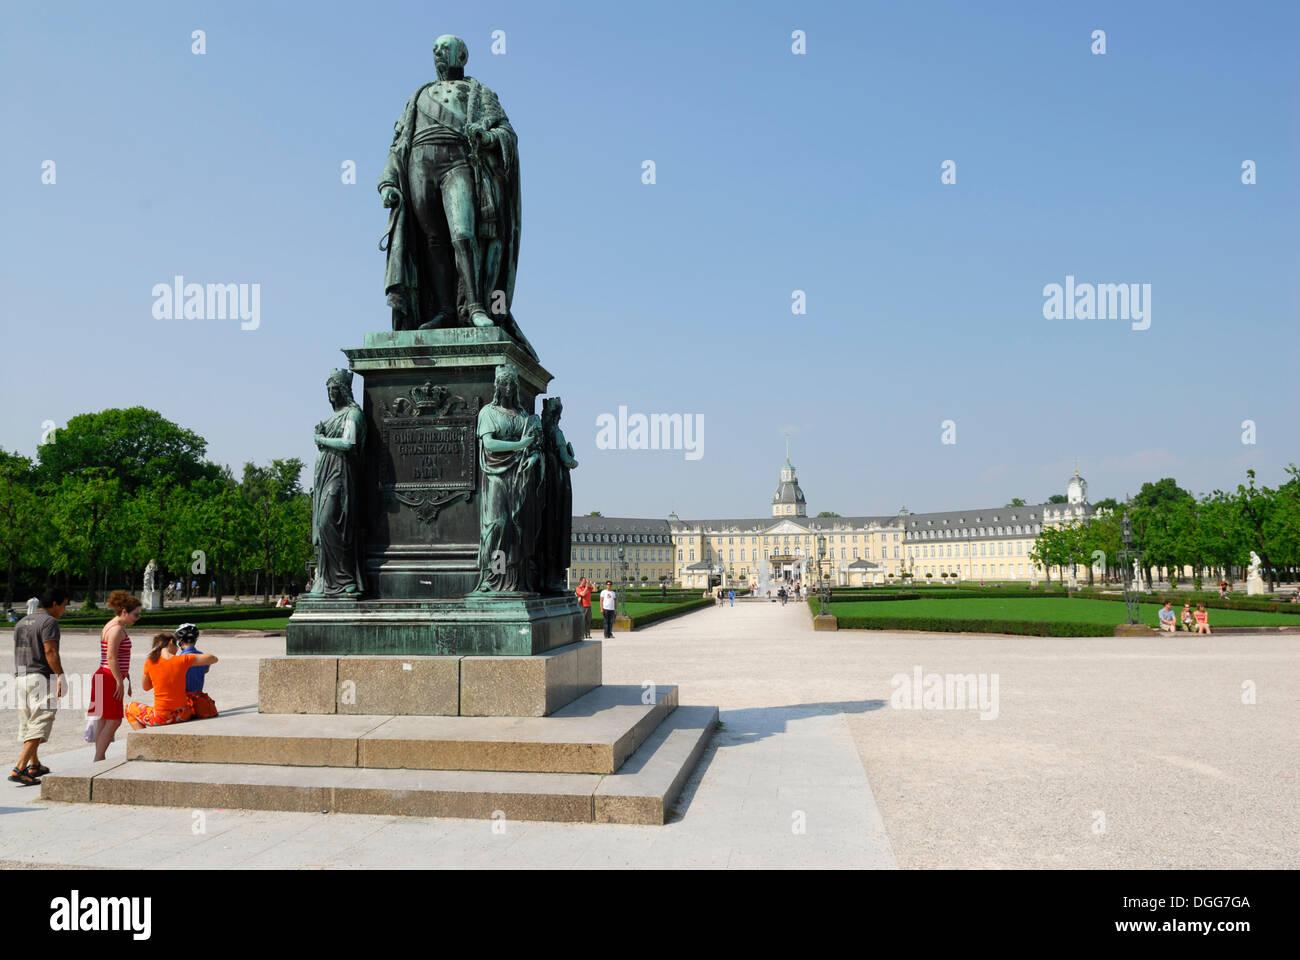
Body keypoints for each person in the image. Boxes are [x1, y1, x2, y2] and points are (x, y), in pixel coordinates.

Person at [10, 587, 70, 786]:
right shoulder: (49, 622)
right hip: (40, 677)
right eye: (63, 605)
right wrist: (60, 676)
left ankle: (34, 764)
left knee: (28, 722)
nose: (64, 609)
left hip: (20, 677)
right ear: (55, 604)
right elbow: (50, 651)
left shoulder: (20, 623)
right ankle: (20, 768)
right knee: (41, 721)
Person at [125, 633, 219, 728]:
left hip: (162, 717)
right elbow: (213, 659)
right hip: (183, 715)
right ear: (171, 642)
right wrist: (191, 656)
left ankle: (143, 737)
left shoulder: (150, 662)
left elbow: (146, 687)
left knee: (128, 708)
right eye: (177, 646)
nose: (177, 649)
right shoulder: (182, 660)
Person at [88, 590, 140, 762]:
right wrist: (120, 681)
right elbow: (111, 657)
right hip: (109, 677)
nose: (137, 618)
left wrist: (126, 678)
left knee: (103, 720)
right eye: (135, 615)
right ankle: (98, 758)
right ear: (124, 611)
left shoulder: (112, 625)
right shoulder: (117, 629)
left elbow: (116, 657)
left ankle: (99, 758)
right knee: (114, 720)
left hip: (104, 676)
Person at [174, 623, 218, 719]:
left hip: (183, 703)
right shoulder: (203, 656)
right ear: (195, 641)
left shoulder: (178, 659)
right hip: (198, 702)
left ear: (180, 642)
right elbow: (205, 671)